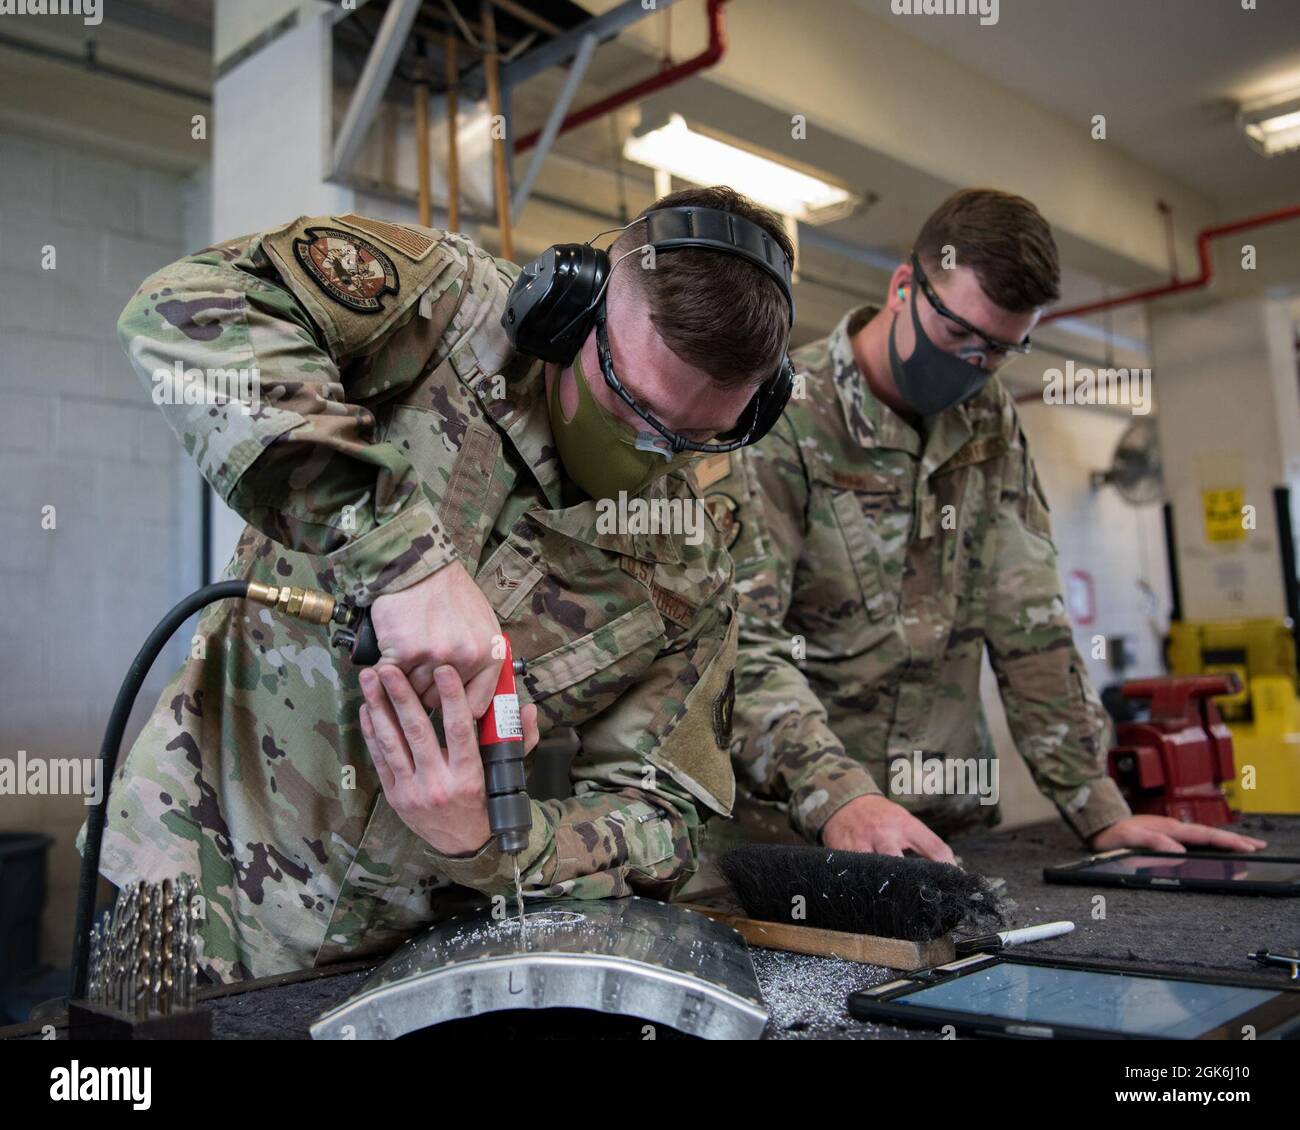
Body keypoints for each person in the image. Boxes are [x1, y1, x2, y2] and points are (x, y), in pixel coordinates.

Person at [86, 186, 796, 980]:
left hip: (416, 958)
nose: (650, 449)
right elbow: (186, 308)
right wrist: (403, 562)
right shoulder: (449, 314)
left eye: (695, 437)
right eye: (629, 402)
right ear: (574, 310)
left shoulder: (687, 568)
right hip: (187, 876)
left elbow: (662, 817)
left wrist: (493, 841)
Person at [708, 188, 1264, 861]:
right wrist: (839, 795)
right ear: (905, 286)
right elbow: (740, 647)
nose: (973, 365)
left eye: (999, 349)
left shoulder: (988, 421)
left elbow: (1029, 620)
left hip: (948, 825)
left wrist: (1097, 806)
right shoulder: (786, 416)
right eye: (958, 336)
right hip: (801, 836)